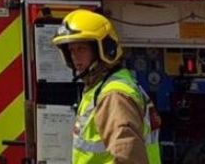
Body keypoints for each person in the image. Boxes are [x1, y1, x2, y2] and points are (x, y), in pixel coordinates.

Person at [51, 9, 161, 163]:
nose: (75, 57)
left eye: (81, 49)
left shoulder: (113, 96)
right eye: (71, 50)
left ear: (103, 49)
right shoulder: (101, 88)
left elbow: (128, 156)